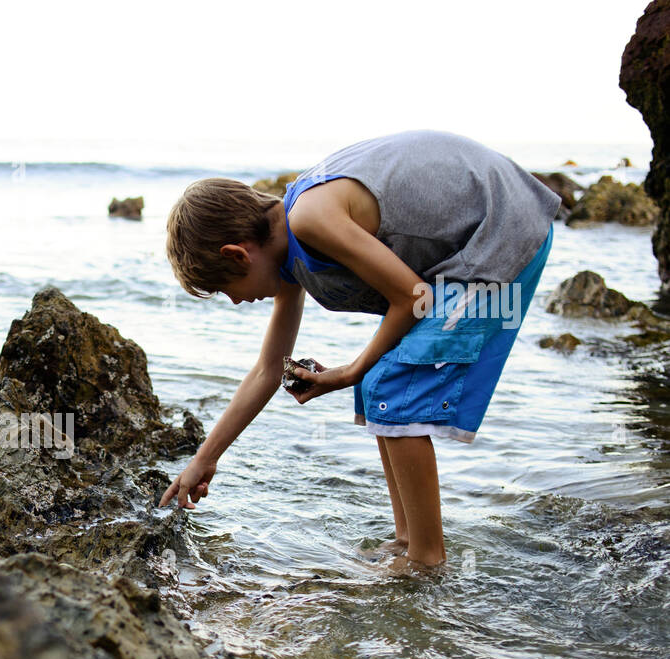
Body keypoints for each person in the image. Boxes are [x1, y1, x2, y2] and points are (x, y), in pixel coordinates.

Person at [158, 130, 559, 567]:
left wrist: (350, 370)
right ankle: (407, 542)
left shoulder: (311, 217)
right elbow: (267, 370)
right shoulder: (289, 249)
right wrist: (205, 459)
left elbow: (411, 296)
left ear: (238, 254)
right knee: (378, 389)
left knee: (387, 386)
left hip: (501, 226)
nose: (236, 301)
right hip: (476, 232)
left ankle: (426, 561)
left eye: (225, 289)